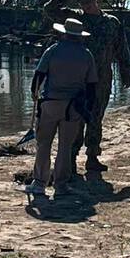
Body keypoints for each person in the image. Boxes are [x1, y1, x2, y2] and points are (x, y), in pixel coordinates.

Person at [41, 0, 130, 173]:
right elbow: (49, 9)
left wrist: (126, 71)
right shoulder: (76, 20)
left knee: (96, 117)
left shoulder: (112, 23)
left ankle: (92, 156)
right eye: (83, 3)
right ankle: (72, 158)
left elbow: (122, 48)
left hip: (103, 78)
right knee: (76, 117)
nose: (87, 5)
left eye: (90, 1)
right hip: (78, 79)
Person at [29, 17, 98, 199]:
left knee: (43, 144)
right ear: (80, 36)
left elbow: (39, 75)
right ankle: (60, 185)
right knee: (65, 147)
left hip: (50, 103)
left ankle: (39, 183)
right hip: (73, 107)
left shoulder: (53, 51)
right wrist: (88, 110)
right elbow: (92, 86)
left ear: (64, 33)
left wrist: (35, 95)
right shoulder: (86, 55)